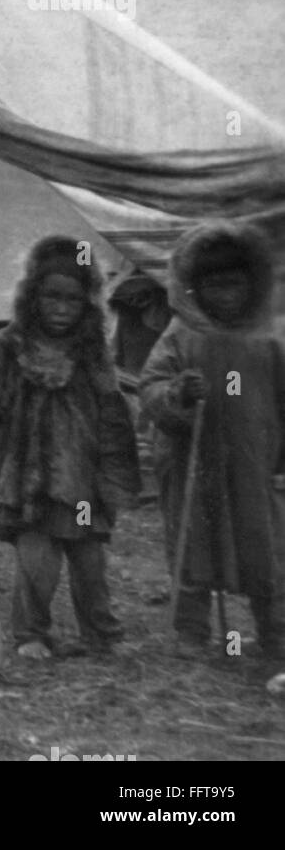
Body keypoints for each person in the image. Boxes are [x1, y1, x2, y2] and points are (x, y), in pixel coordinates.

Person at [0, 236, 140, 660]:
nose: (60, 308)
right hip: (29, 481)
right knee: (37, 564)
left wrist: (114, 476)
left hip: (83, 483)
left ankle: (101, 634)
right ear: (32, 297)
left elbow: (112, 415)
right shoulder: (8, 348)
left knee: (90, 563)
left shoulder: (92, 353)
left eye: (72, 300)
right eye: (51, 297)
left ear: (86, 304)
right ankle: (31, 634)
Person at [138, 221, 285, 661]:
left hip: (255, 463)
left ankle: (275, 631)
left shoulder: (270, 338)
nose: (225, 295)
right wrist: (178, 393)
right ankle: (191, 632)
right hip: (192, 463)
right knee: (192, 541)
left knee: (267, 545)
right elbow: (150, 387)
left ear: (252, 283)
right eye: (213, 285)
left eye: (234, 284)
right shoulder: (180, 335)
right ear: (193, 287)